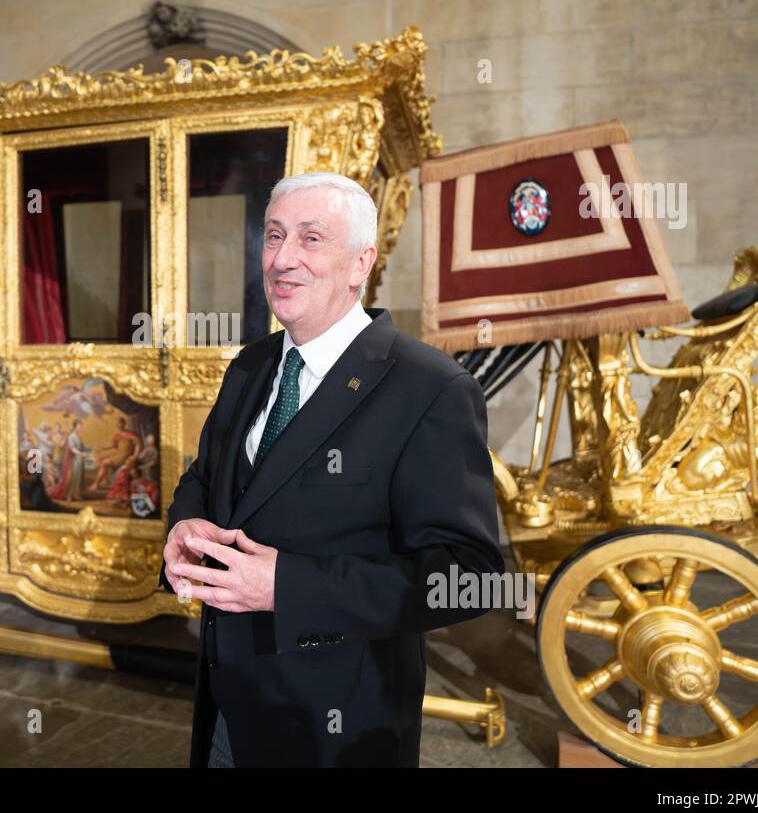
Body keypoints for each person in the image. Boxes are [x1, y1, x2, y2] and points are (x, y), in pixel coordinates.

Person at [160, 172, 504, 767]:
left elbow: (467, 574)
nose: (282, 259)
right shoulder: (251, 364)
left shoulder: (431, 388)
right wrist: (185, 525)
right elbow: (204, 477)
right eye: (273, 236)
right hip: (224, 709)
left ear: (359, 264)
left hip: (337, 731)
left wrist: (288, 588)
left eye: (311, 238)